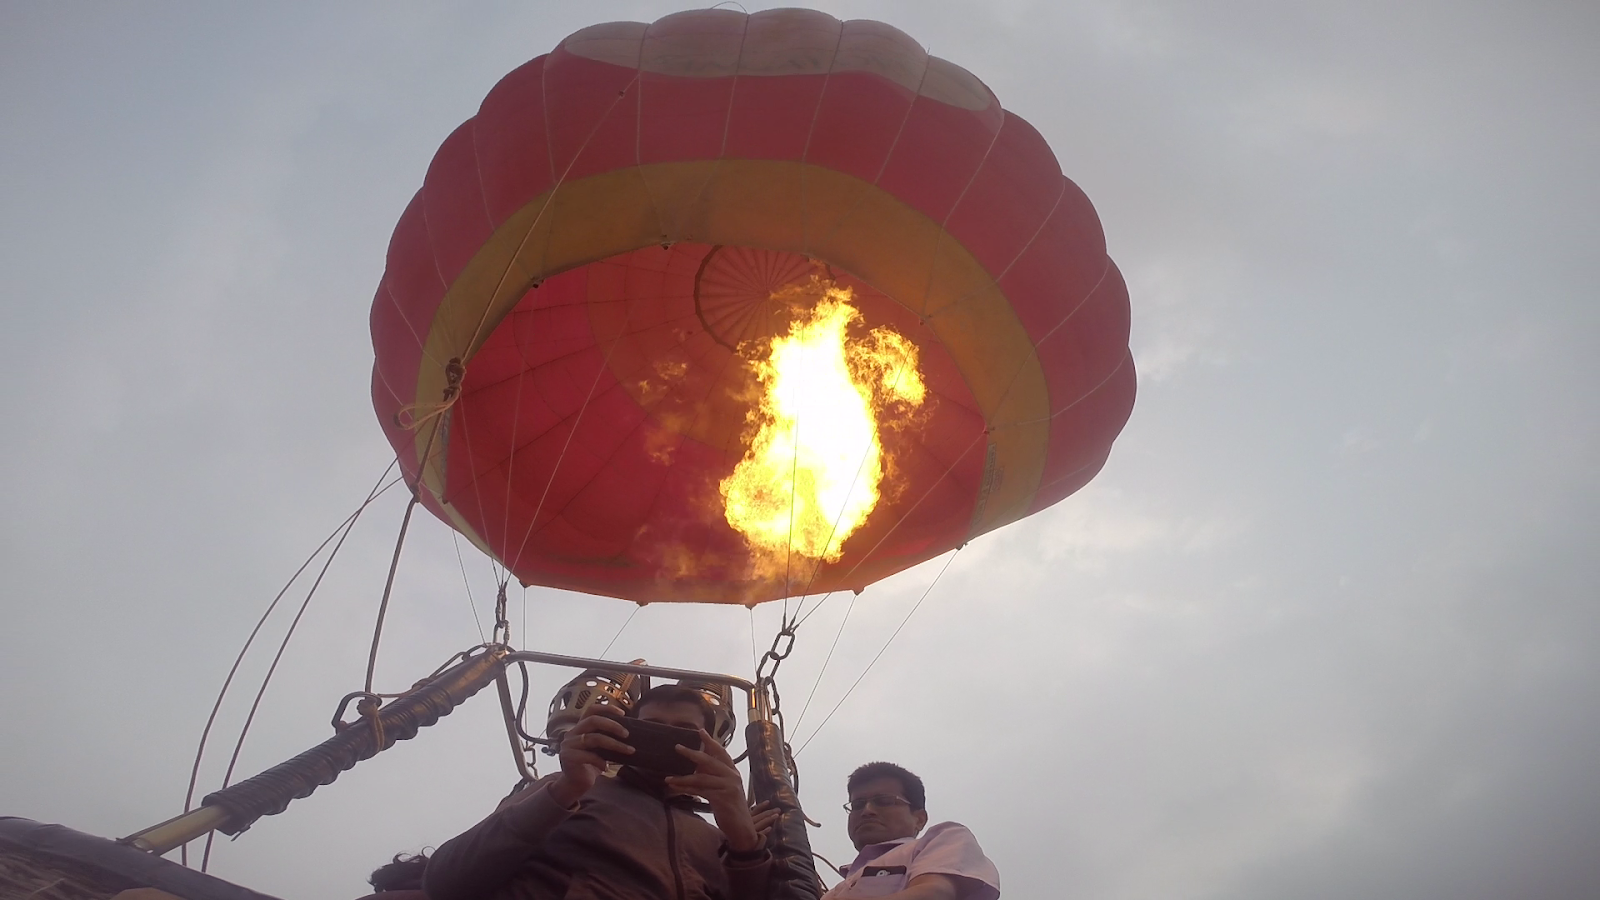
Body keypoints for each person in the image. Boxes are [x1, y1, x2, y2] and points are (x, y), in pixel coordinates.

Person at [424, 685, 773, 900]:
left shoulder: (716, 838)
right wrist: (565, 789)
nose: (666, 739)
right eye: (651, 728)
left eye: (683, 732)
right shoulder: (568, 791)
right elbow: (445, 882)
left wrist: (745, 844)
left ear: (709, 745)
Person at [823, 762, 998, 900]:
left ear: (919, 819)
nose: (867, 811)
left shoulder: (944, 839)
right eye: (857, 805)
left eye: (884, 801)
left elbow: (933, 893)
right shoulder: (837, 888)